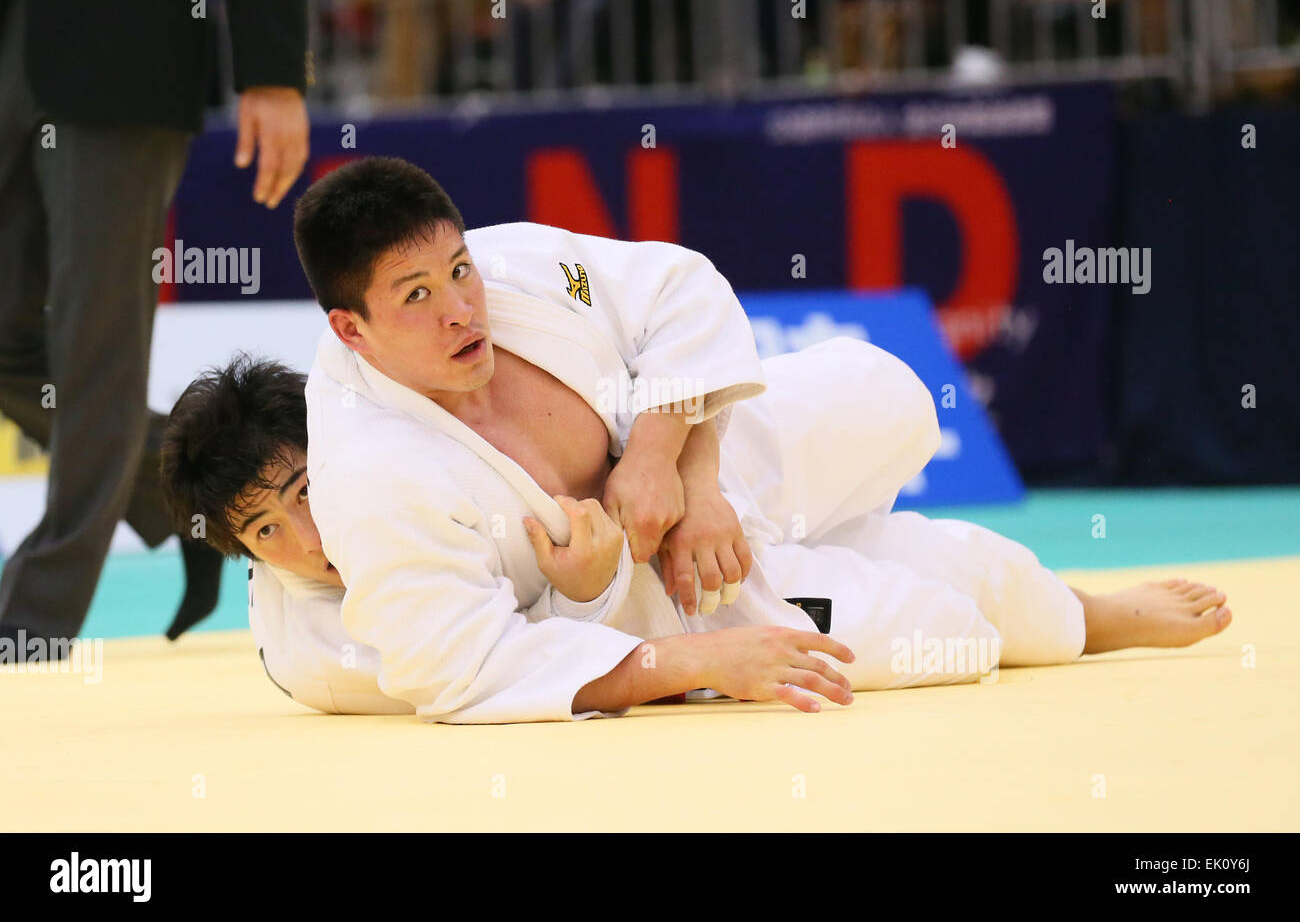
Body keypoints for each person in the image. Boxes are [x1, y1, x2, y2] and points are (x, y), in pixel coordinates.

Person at [168, 156, 1232, 723]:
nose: (461, 308)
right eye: (418, 294)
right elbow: (467, 670)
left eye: (457, 270)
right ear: (350, 327)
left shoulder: (518, 263)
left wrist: (679, 461)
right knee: (929, 622)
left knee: (895, 392)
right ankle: (1085, 614)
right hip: (675, 588)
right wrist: (670, 645)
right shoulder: (373, 481)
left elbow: (679, 289)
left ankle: (822, 526)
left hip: (720, 473)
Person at [0, 0, 310, 654]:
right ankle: (184, 490)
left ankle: (30, 622)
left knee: (95, 346)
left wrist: (274, 69)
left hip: (122, 42)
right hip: (12, 31)